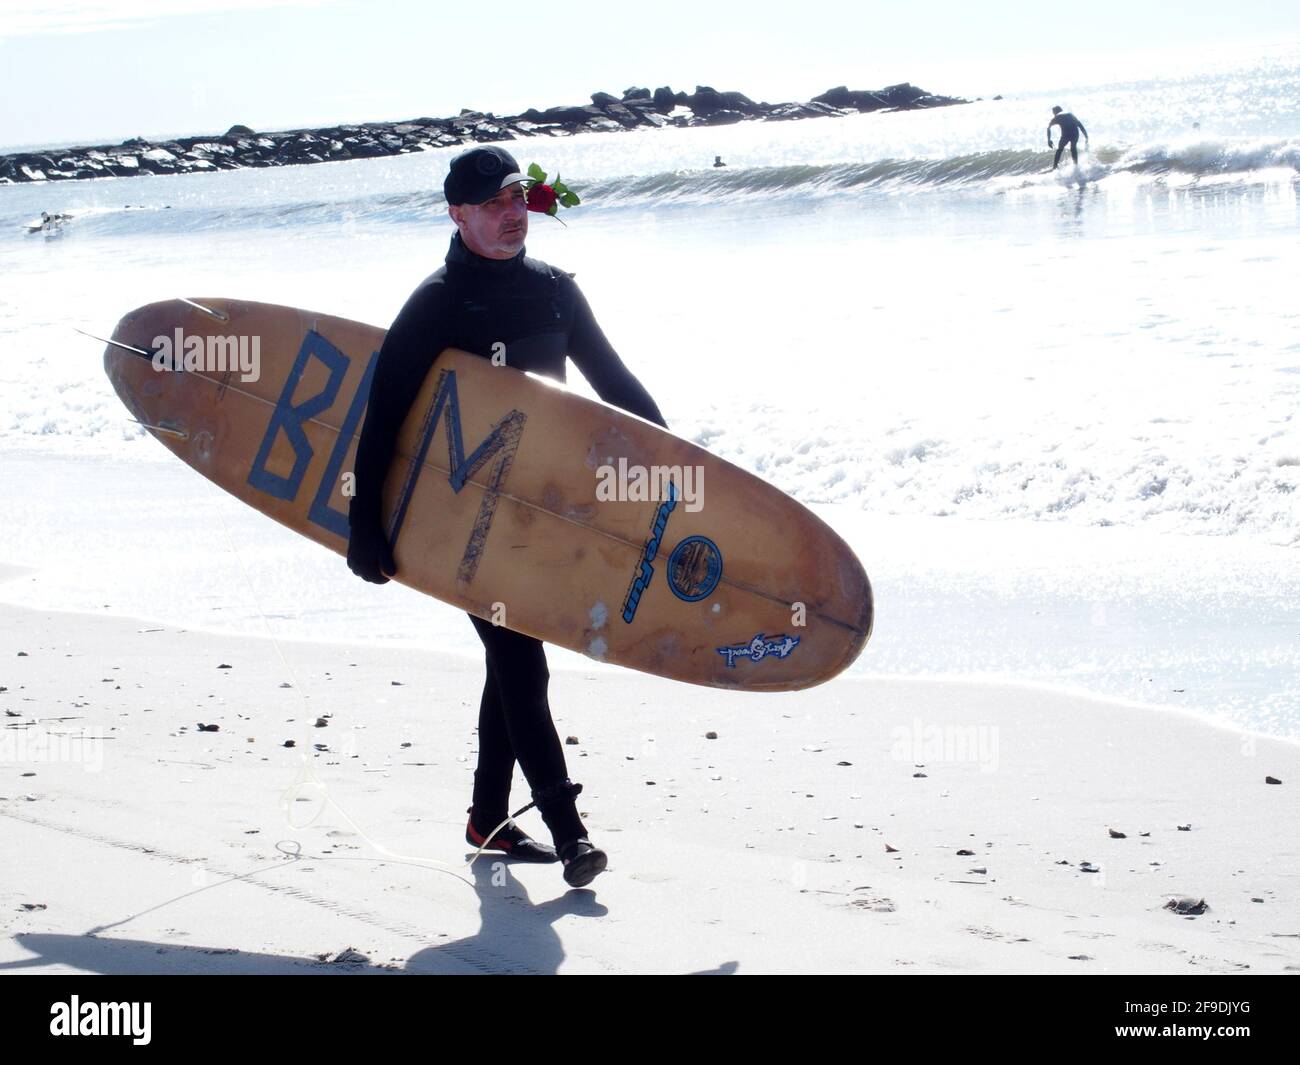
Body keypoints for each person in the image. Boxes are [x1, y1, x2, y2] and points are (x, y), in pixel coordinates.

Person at [346, 145, 667, 888]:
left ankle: (487, 816)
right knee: (523, 659)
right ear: (457, 214)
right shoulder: (436, 303)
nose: (510, 214)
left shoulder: (555, 292)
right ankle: (568, 827)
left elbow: (616, 386)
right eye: (492, 204)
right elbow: (383, 414)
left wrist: (677, 465)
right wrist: (365, 523)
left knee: (509, 659)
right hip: (456, 520)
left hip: (540, 514)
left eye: (518, 198)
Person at [1047, 106, 1089, 170]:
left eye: (1053, 113)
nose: (1054, 114)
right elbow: (1079, 125)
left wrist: (1049, 140)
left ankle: (1054, 167)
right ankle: (1076, 166)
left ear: (1056, 112)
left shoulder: (1057, 116)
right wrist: (1086, 136)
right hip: (1075, 134)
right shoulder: (1070, 114)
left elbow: (1048, 128)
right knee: (1073, 148)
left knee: (1059, 150)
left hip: (1065, 135)